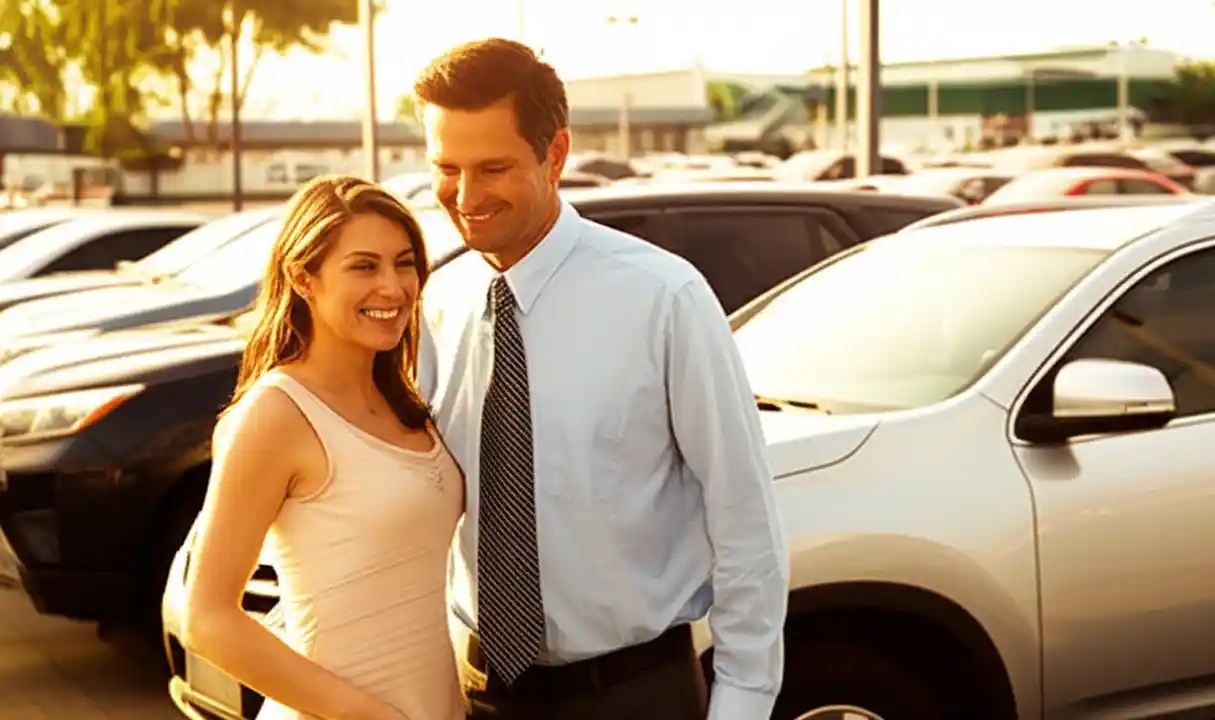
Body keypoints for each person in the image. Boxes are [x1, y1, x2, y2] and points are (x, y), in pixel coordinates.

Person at [415, 38, 789, 719]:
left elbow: (744, 517)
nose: (464, 197)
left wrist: (743, 702)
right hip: (482, 698)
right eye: (447, 168)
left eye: (492, 167)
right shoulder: (437, 303)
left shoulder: (664, 298)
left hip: (634, 697)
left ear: (555, 154)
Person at [182, 175, 466, 720]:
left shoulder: (405, 398)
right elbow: (207, 617)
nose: (393, 286)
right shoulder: (275, 414)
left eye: (404, 263)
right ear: (303, 278)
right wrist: (370, 715)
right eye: (363, 266)